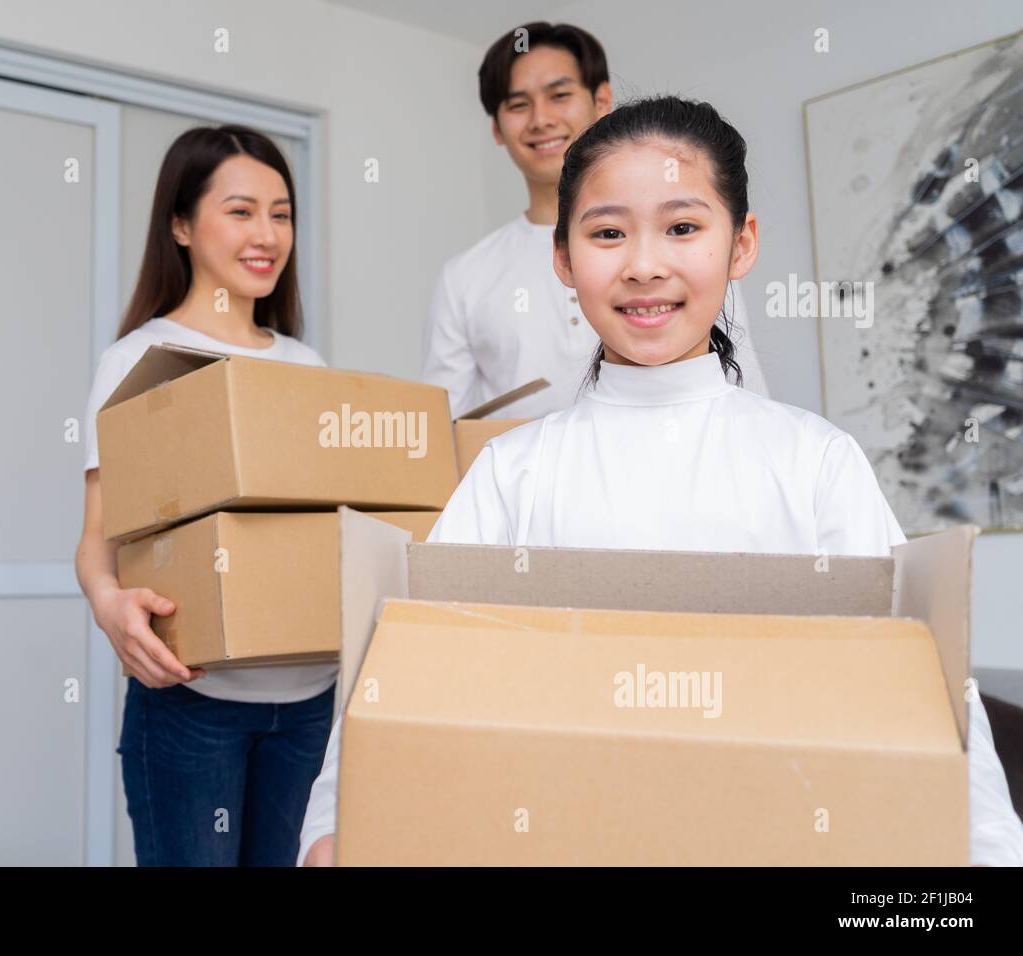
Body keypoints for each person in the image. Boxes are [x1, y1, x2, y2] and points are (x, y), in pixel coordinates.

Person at [299, 96, 1023, 867]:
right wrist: (332, 827)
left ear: (741, 243)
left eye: (682, 228)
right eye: (608, 233)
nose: (644, 265)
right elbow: (407, 665)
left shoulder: (814, 461)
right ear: (563, 258)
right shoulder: (513, 471)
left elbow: (924, 679)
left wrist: (988, 846)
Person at [76, 124, 335, 866]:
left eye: (281, 214)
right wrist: (109, 606)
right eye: (241, 211)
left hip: (312, 701)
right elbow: (97, 541)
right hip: (195, 700)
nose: (267, 235)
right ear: (182, 226)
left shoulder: (308, 366)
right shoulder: (141, 360)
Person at [421, 22, 769, 419]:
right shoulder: (464, 277)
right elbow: (444, 425)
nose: (541, 119)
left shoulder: (690, 253)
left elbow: (742, 387)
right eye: (518, 105)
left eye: (560, 95)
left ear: (602, 100)